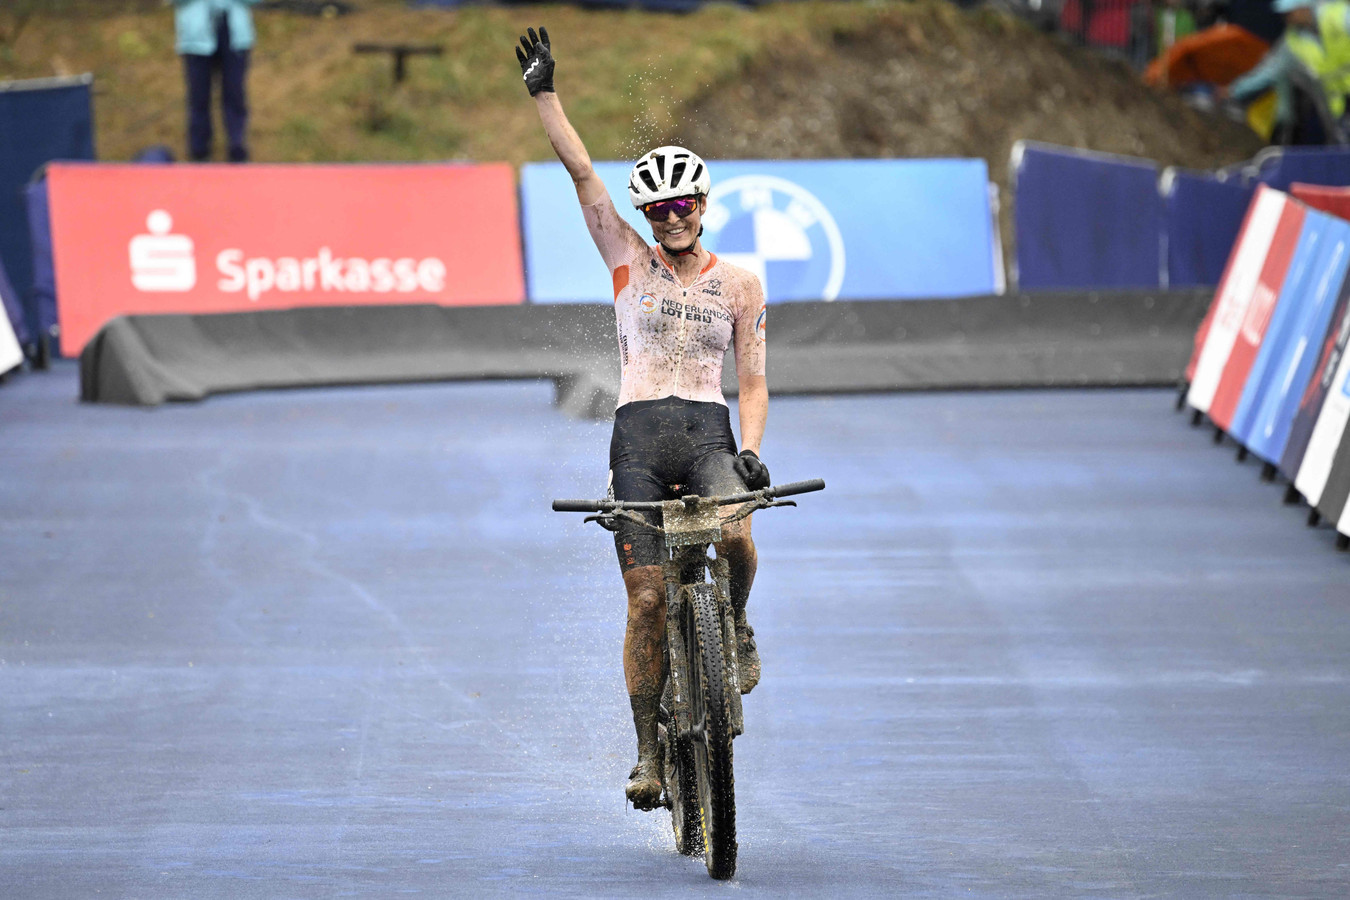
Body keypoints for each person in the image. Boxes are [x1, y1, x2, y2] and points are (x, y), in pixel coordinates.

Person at [515, 27, 771, 811]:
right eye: (659, 209)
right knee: (648, 600)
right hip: (638, 435)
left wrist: (752, 451)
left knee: (735, 535)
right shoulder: (626, 256)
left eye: (683, 206)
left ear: (702, 205)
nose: (672, 219)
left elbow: (753, 386)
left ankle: (737, 627)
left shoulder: (740, 284)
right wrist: (544, 94)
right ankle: (649, 753)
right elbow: (582, 170)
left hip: (706, 432)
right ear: (647, 214)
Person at [1221, 0, 1350, 144]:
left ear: (1303, 7)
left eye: (1289, 13)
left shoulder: (1337, 15)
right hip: (1339, 107)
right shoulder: (1292, 41)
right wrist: (1234, 90)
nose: (1286, 18)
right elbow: (1268, 71)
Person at [174, 0, 259, 162]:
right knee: (198, 96)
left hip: (235, 34)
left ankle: (237, 147)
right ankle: (199, 151)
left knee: (235, 92)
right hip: (195, 36)